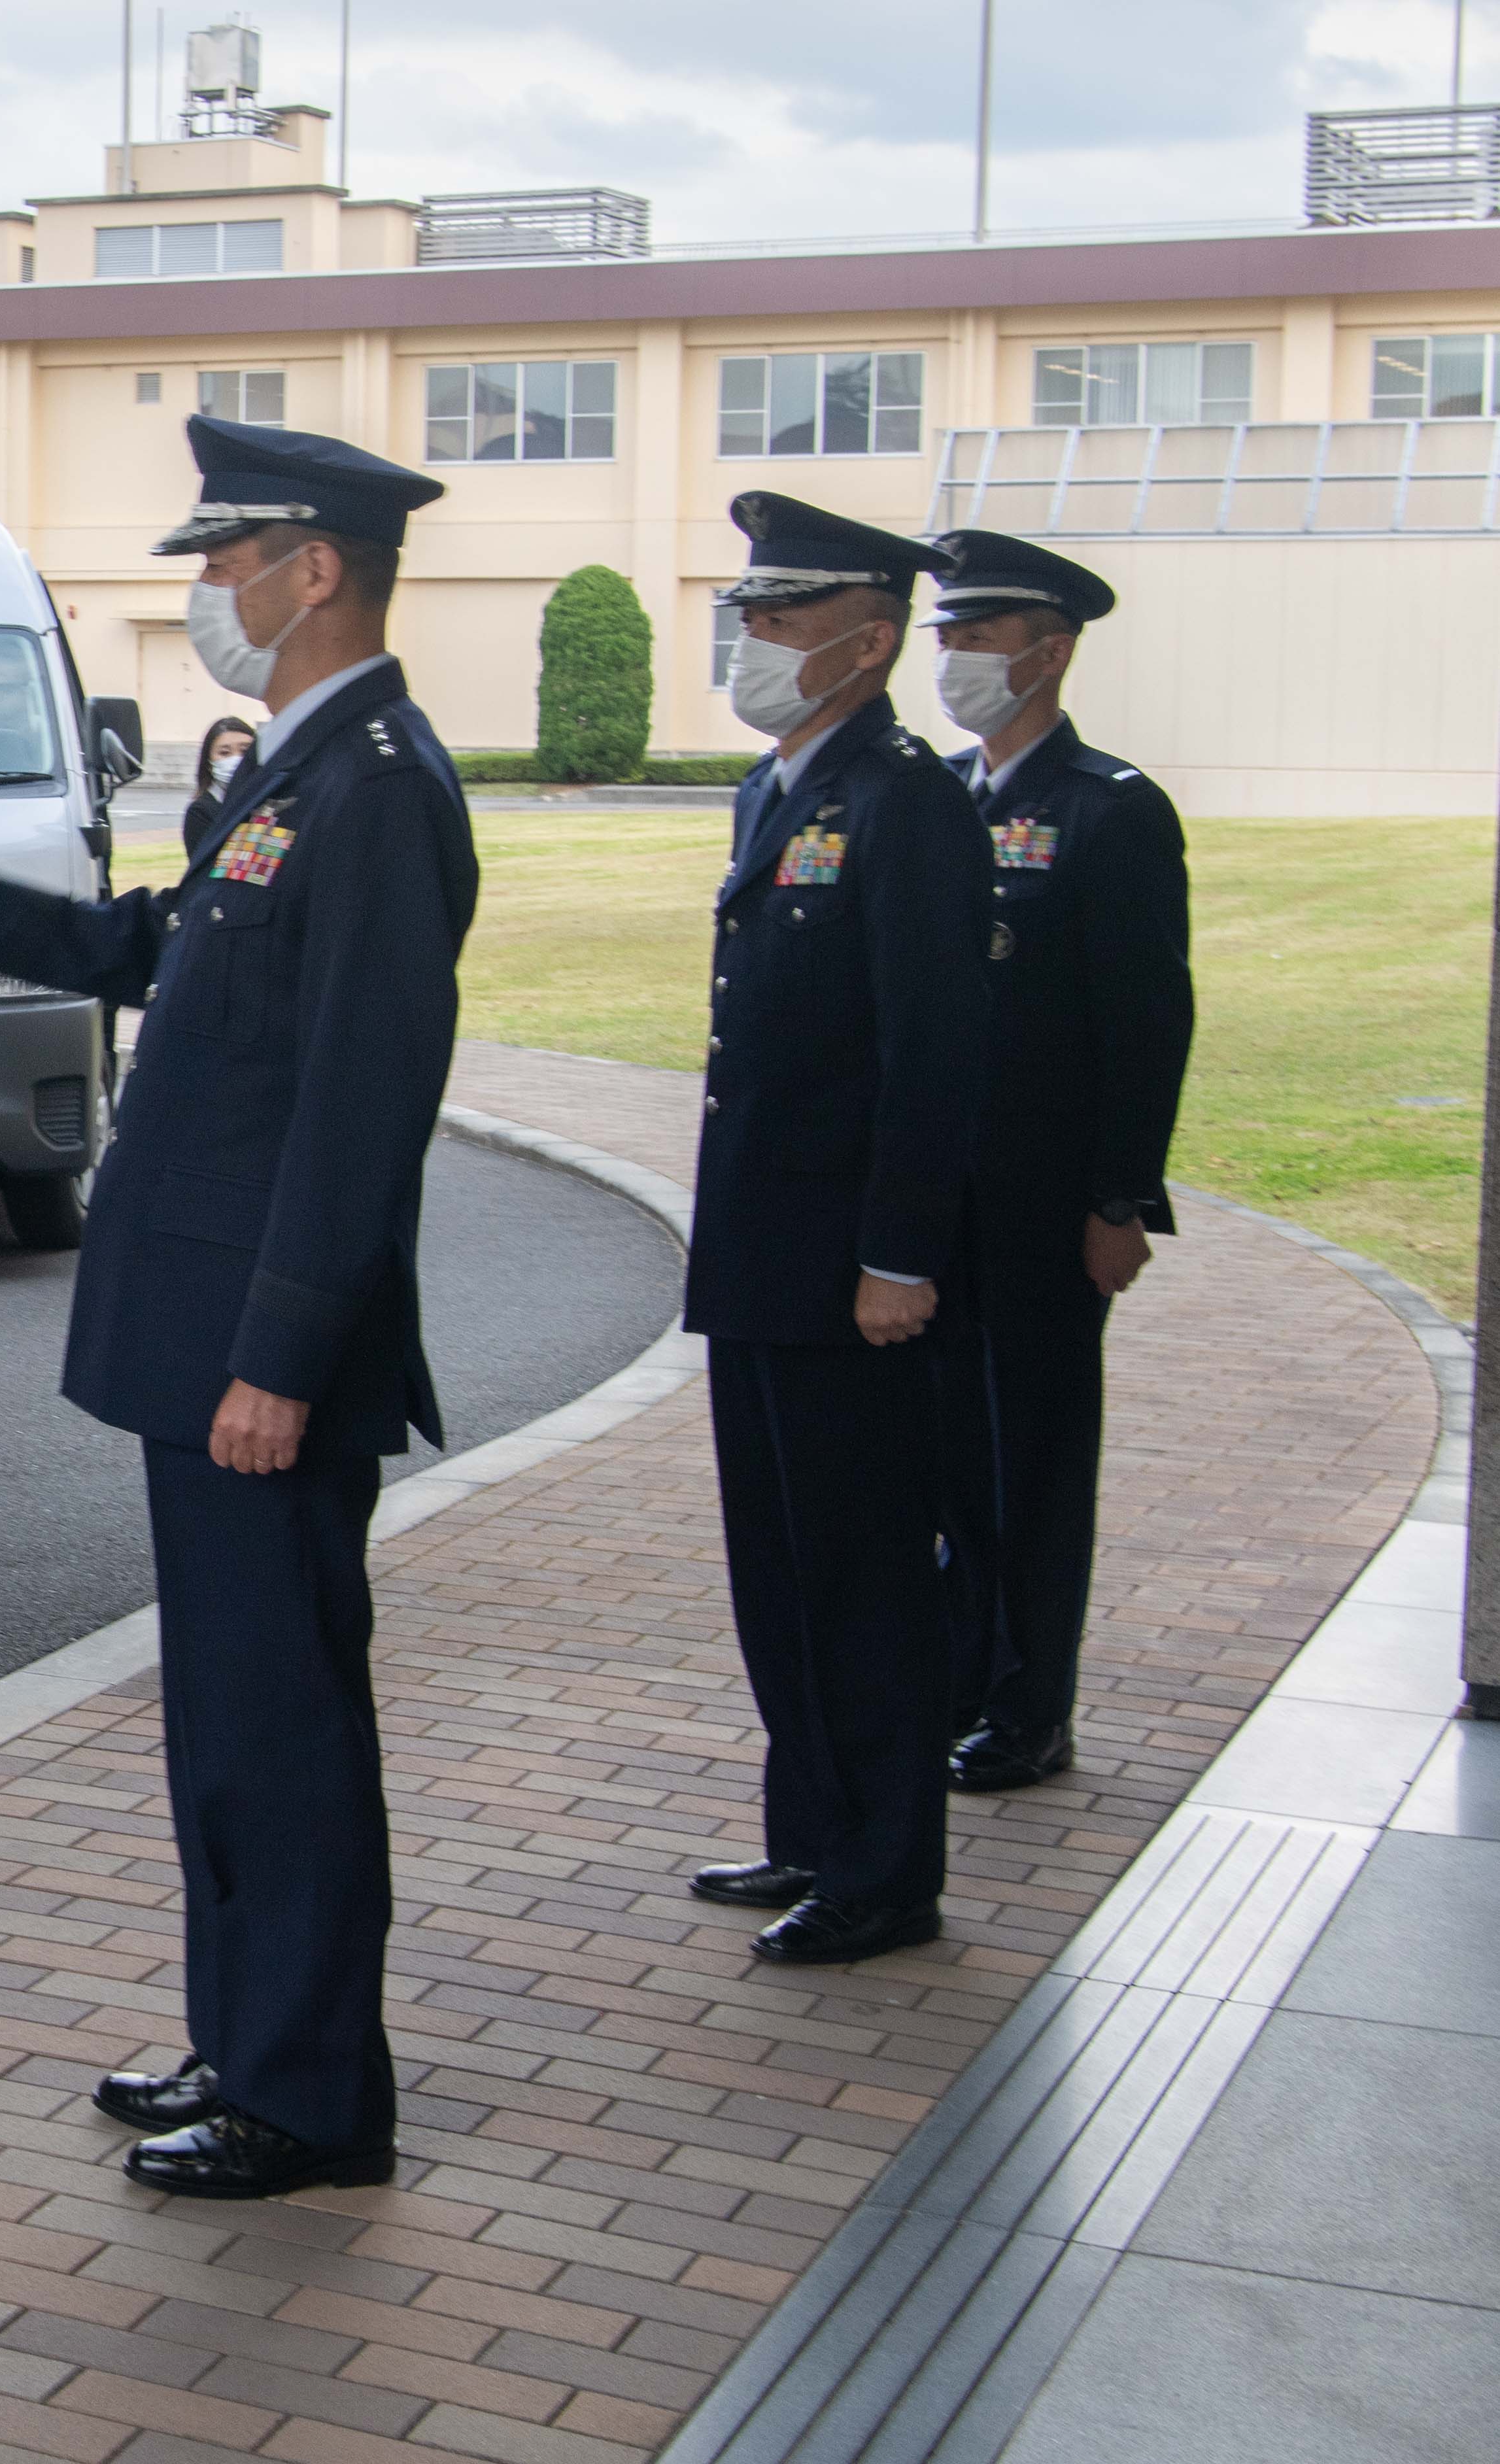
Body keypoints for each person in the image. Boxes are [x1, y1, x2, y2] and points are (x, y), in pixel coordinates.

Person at [0, 416, 473, 2199]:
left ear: (315, 570)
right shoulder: (294, 772)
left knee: (283, 1728)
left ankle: (310, 2100)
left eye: (227, 560)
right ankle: (245, 2034)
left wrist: (282, 1354)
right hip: (202, 1341)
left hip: (261, 1360)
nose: (207, 592)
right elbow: (159, 949)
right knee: (225, 1722)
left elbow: (358, 1108)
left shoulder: (379, 787)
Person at [681, 493, 989, 1966]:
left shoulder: (903, 800)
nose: (749, 635)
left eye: (779, 614)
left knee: (862, 1573)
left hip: (847, 1268)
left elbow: (935, 1049)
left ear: (865, 642)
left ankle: (884, 1870)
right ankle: (810, 1823)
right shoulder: (779, 787)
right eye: (745, 610)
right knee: (779, 1562)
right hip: (760, 1250)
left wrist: (898, 1255)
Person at [921, 534, 1193, 1794]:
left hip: (1042, 1204)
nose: (955, 661)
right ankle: (958, 1675)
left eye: (978, 639)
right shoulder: (939, 797)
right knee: (946, 1455)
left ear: (1048, 652)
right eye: (947, 638)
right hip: (937, 1201)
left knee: (1029, 1456)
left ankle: (1030, 1705)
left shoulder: (1107, 806)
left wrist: (1117, 1196)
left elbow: (1144, 1019)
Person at [177, 714, 260, 851]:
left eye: (245, 751)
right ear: (209, 762)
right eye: (225, 753)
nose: (236, 760)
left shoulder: (271, 799)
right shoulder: (201, 812)